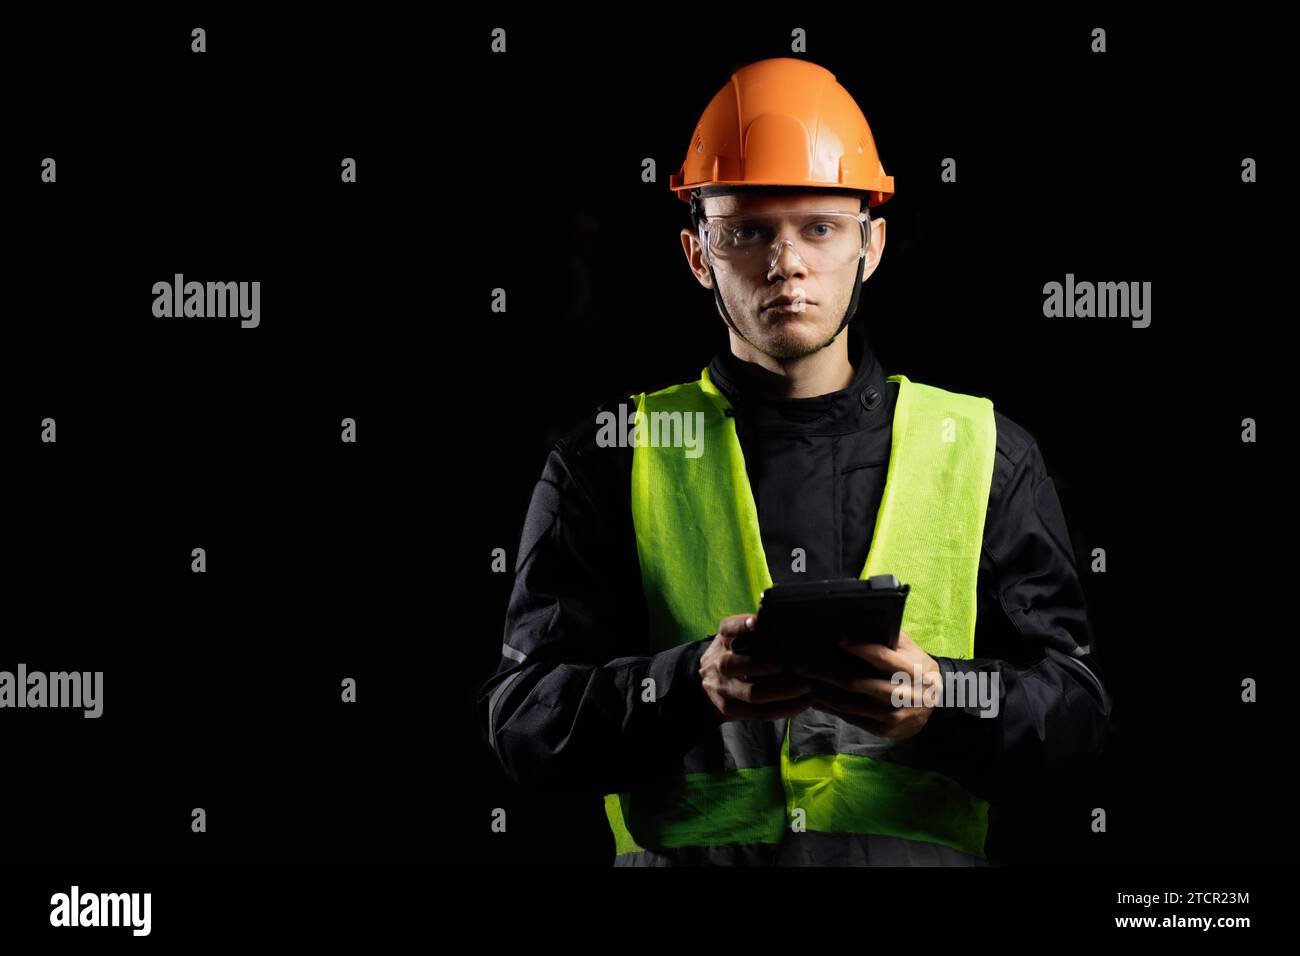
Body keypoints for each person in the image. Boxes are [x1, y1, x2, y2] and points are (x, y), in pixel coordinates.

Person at [480, 56, 1111, 866]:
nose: (786, 264)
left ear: (870, 244)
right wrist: (686, 687)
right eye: (747, 231)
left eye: (819, 227)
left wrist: (945, 699)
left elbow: (1081, 715)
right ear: (698, 254)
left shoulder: (983, 451)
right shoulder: (610, 457)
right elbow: (522, 719)